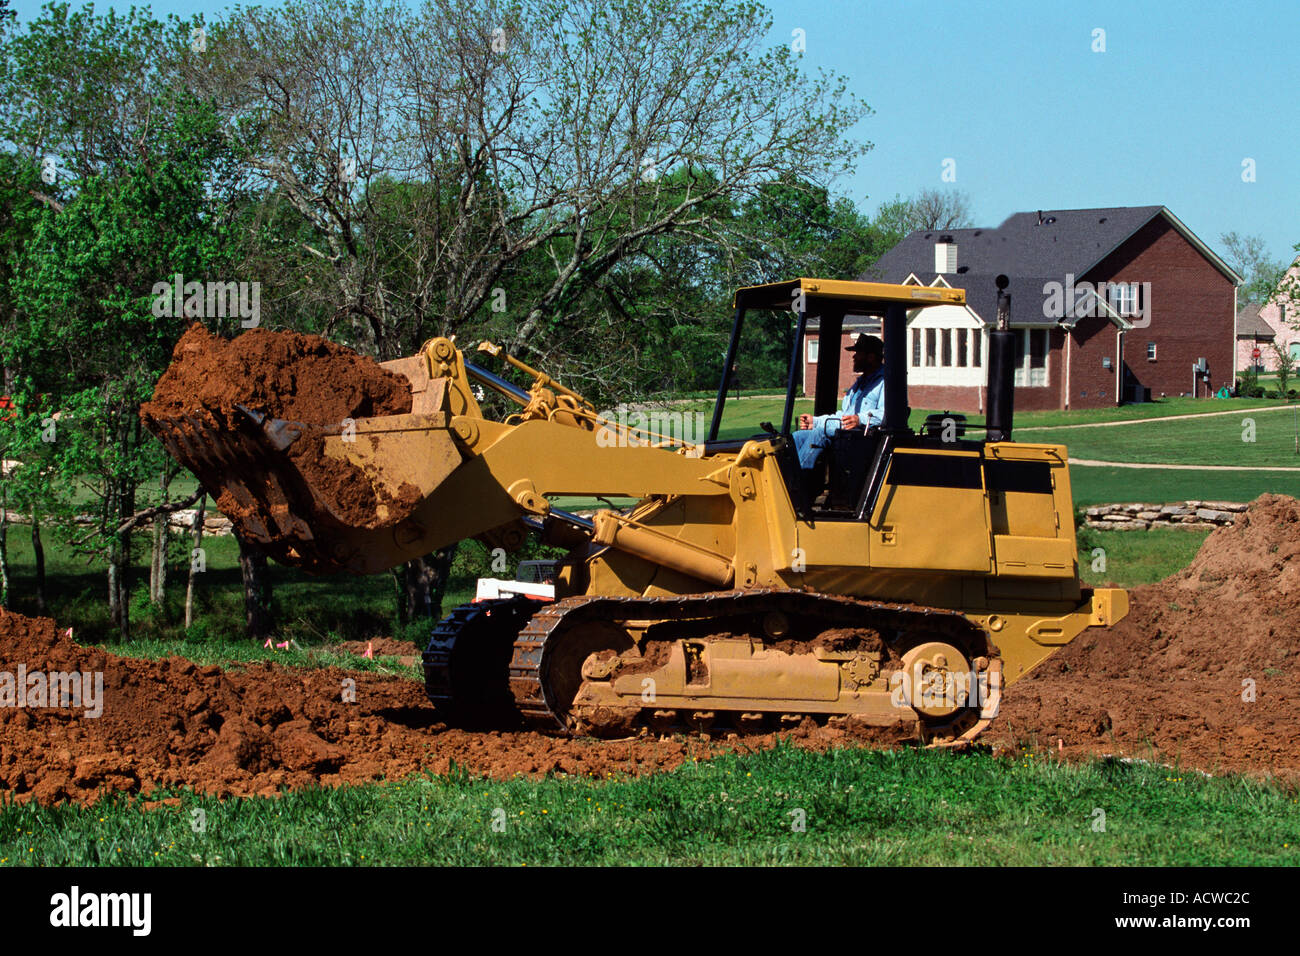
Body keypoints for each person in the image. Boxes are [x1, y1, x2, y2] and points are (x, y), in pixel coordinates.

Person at [793, 333, 885, 474]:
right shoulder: (860, 384)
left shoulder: (885, 382)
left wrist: (860, 419)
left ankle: (795, 482)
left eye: (858, 353)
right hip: (847, 436)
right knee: (796, 437)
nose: (853, 357)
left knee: (818, 435)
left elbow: (888, 413)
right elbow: (843, 416)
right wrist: (815, 421)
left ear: (871, 357)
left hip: (865, 440)